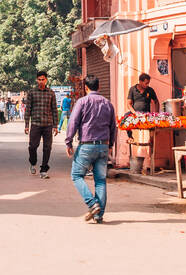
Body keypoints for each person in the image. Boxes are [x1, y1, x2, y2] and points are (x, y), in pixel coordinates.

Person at [65, 75, 117, 223]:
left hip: (87, 145)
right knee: (100, 180)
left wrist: (68, 142)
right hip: (104, 145)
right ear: (99, 87)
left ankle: (92, 204)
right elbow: (113, 126)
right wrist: (111, 145)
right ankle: (98, 215)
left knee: (76, 175)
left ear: (86, 88)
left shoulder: (82, 102)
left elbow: (73, 122)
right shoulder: (108, 103)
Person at [25, 72, 58, 178]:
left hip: (48, 124)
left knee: (47, 148)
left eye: (43, 79)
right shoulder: (31, 93)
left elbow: (54, 110)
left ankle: (44, 169)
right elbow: (28, 109)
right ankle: (33, 162)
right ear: (36, 80)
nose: (41, 81)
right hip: (35, 124)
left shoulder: (51, 93)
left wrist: (55, 126)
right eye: (39, 79)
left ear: (46, 80)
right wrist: (26, 124)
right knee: (33, 146)